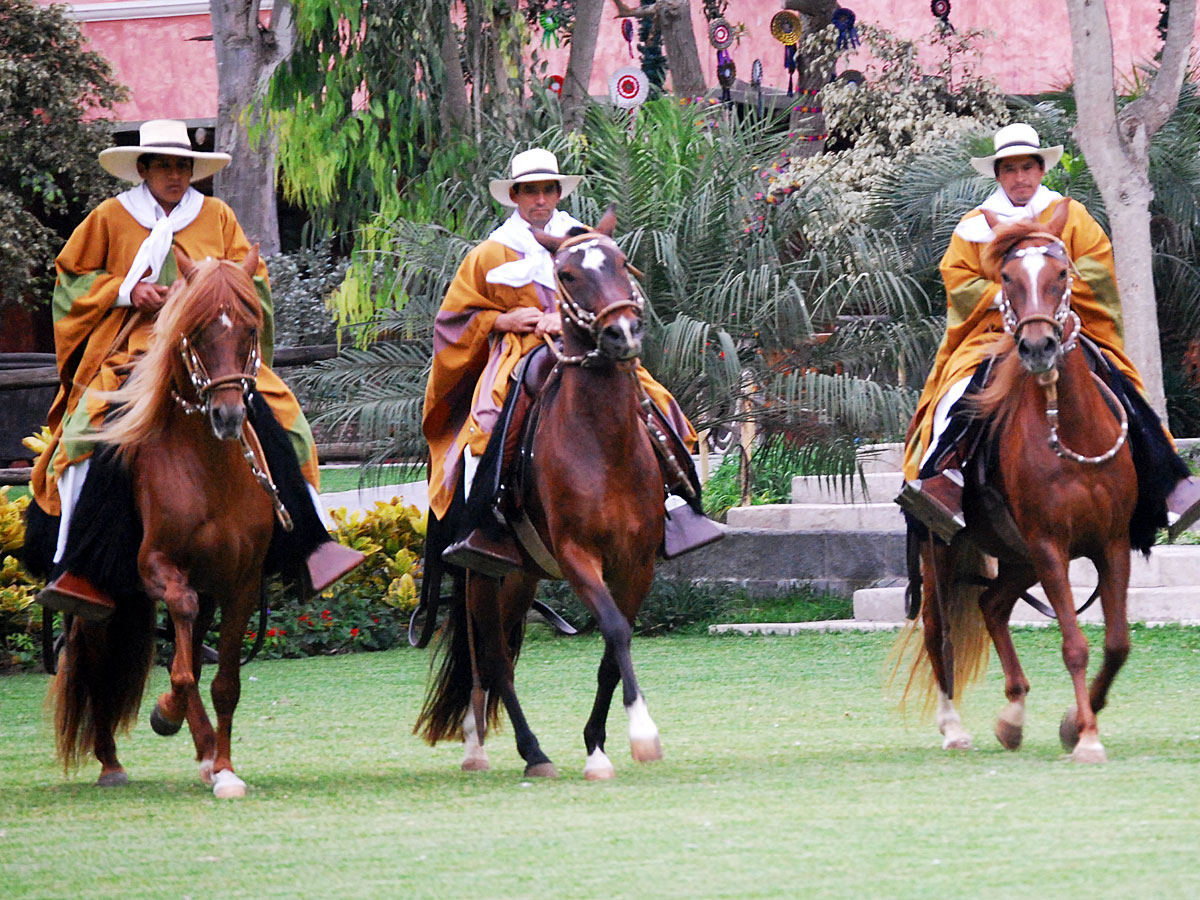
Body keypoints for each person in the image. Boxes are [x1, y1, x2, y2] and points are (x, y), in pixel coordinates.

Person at [29, 119, 362, 620]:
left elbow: (250, 284)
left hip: (209, 354)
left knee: (285, 418)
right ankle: (75, 566)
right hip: (132, 351)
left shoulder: (218, 217)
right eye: (165, 164)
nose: (175, 175)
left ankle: (311, 545)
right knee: (80, 438)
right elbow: (71, 281)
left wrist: (202, 301)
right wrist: (126, 290)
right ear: (143, 168)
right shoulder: (108, 219)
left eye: (183, 165)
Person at [422, 147, 718, 577]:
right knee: (484, 426)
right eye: (529, 191)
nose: (539, 199)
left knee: (659, 404)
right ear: (515, 196)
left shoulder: (587, 241)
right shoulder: (489, 254)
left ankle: (677, 504)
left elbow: (616, 289)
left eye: (547, 190)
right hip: (520, 353)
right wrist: (502, 318)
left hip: (589, 349)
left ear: (558, 192)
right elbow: (453, 319)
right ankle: (484, 527)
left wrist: (575, 319)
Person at [898, 122, 1200, 542]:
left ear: (1041, 170)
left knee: (1121, 384)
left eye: (1027, 167)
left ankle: (1169, 482)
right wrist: (1012, 294)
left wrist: (1053, 293)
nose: (1020, 178)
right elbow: (959, 282)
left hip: (1062, 326)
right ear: (998, 175)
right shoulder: (973, 226)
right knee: (959, 391)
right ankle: (942, 481)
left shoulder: (1072, 215)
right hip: (992, 333)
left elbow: (1096, 268)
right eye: (1010, 169)